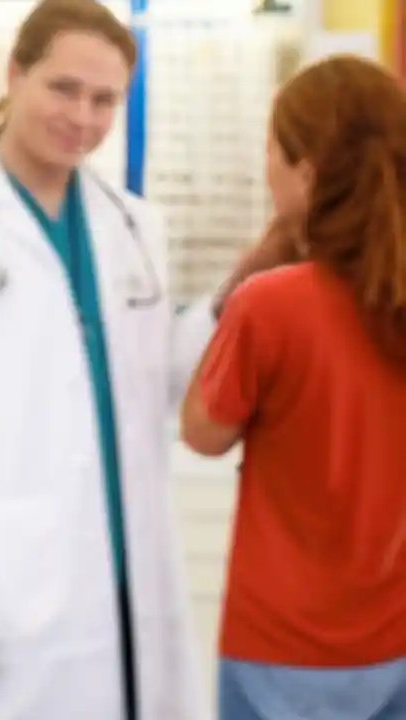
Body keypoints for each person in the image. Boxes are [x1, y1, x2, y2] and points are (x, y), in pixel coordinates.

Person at [0, 0, 285, 717]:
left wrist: (231, 293)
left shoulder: (134, 226)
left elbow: (161, 381)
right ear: (15, 75)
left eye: (104, 99)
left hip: (127, 573)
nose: (82, 117)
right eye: (63, 88)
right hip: (10, 587)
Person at [180, 54, 406, 720]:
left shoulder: (270, 304)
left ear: (305, 173)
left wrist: (247, 273)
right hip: (394, 636)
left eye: (271, 150)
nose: (265, 168)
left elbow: (202, 432)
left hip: (283, 646)